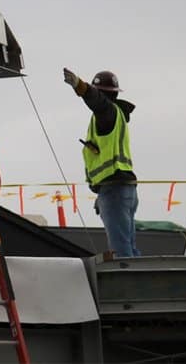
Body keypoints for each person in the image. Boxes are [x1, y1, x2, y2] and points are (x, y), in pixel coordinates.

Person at [63, 68, 140, 257]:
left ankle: (127, 285)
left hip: (114, 191)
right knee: (128, 245)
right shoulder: (117, 116)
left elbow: (98, 102)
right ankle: (136, 280)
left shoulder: (108, 113)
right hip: (123, 189)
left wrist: (81, 87)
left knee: (121, 251)